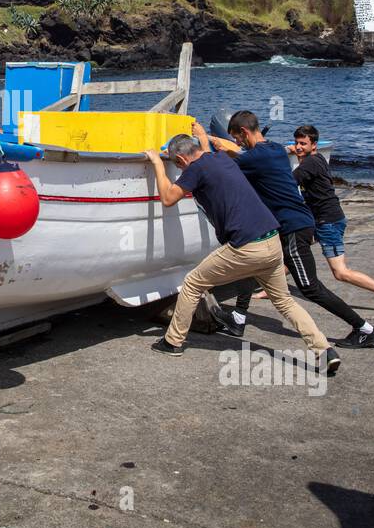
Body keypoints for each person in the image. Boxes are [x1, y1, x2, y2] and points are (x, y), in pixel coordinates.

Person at [144, 125, 341, 375]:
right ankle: (325, 351)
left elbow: (168, 198)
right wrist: (203, 135)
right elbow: (204, 149)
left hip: (246, 246)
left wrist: (157, 164)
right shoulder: (218, 158)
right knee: (284, 301)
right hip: (271, 240)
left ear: (182, 159)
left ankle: (172, 342)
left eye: (179, 165)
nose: (182, 170)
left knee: (193, 283)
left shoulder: (194, 169)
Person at [221, 111, 374, 349]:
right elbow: (240, 154)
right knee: (254, 266)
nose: (237, 143)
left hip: (294, 228)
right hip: (285, 226)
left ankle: (364, 329)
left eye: (237, 138)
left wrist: (207, 142)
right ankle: (238, 318)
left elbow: (227, 163)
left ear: (244, 132)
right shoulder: (275, 149)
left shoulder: (254, 158)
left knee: (310, 287)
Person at [290, 124, 374, 315]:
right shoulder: (316, 159)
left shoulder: (310, 163)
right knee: (292, 251)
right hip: (324, 219)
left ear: (314, 145)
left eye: (303, 143)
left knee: (340, 272)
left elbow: (287, 182)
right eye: (296, 142)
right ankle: (275, 291)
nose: (298, 146)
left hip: (328, 222)